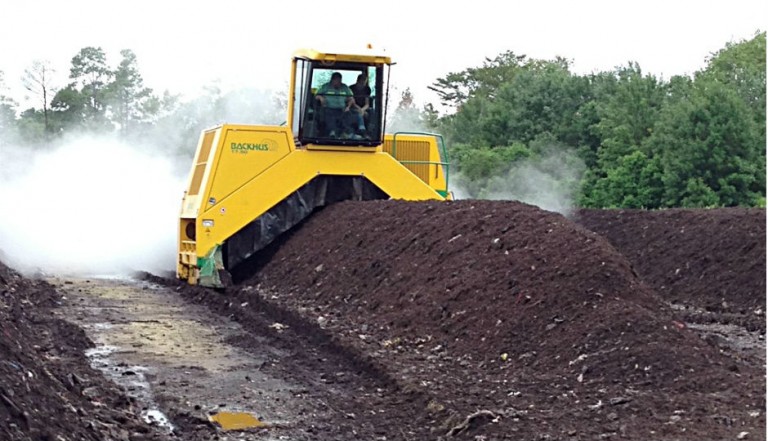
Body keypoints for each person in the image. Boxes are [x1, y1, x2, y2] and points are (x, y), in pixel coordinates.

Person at [315, 72, 355, 138]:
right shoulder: (325, 87)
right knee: (329, 114)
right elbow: (316, 95)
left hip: (342, 109)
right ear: (332, 80)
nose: (339, 83)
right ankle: (332, 132)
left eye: (340, 80)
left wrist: (348, 106)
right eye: (337, 81)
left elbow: (351, 98)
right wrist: (320, 97)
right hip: (328, 108)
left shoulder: (345, 87)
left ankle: (347, 133)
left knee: (348, 114)